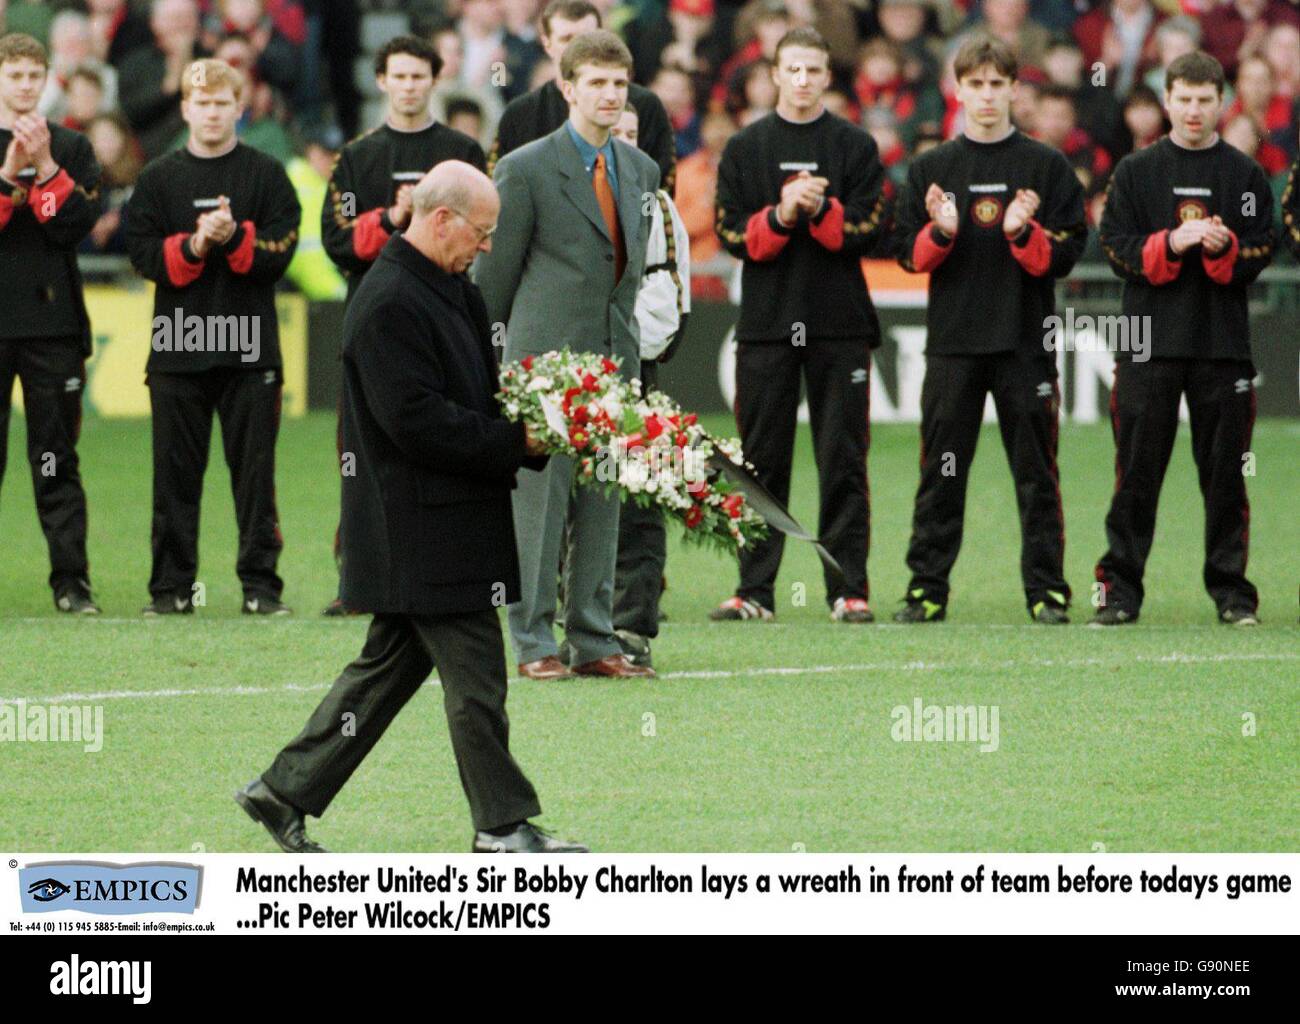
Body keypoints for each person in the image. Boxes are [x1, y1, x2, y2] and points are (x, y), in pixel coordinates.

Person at [236, 160, 587, 854]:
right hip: (423, 526)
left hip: (442, 518)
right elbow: (416, 421)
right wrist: (513, 440)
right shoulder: (390, 299)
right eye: (479, 233)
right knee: (478, 678)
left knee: (387, 671)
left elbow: (467, 395)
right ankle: (501, 826)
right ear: (441, 220)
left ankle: (282, 792)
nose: (485, 247)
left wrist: (531, 421)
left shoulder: (449, 288)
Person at [474, 29, 660, 680]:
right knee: (540, 509)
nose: (610, 95)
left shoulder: (642, 170)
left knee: (604, 506)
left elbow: (628, 276)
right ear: (567, 88)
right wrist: (490, 368)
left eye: (619, 83)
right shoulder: (523, 168)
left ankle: (594, 638)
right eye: (598, 83)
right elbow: (492, 283)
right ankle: (532, 642)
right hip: (541, 368)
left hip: (614, 362)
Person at [893, 35, 1086, 625]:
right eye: (974, 84)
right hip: (954, 346)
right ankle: (927, 590)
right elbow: (906, 255)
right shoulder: (931, 168)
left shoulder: (1046, 166)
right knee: (942, 473)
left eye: (996, 84)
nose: (985, 95)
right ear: (958, 88)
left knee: (1034, 475)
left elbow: (1068, 254)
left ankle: (1046, 591)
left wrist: (1024, 231)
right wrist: (944, 231)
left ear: (1013, 90)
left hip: (1026, 345)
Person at [711, 26, 887, 624]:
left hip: (839, 326)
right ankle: (754, 591)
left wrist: (825, 210)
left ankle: (848, 589)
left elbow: (870, 231)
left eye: (814, 70)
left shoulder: (856, 146)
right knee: (760, 461)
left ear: (827, 77)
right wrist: (783, 213)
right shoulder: (744, 147)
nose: (804, 80)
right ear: (775, 74)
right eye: (794, 70)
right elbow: (734, 237)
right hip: (766, 326)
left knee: (842, 457)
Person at [1094, 50, 1275, 626]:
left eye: (1205, 100)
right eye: (1184, 99)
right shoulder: (1134, 172)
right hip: (1146, 344)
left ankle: (1232, 593)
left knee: (1225, 476)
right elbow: (1116, 249)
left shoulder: (1245, 176)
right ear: (1166, 100)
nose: (1194, 110)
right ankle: (1118, 592)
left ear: (1222, 103)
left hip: (1221, 346)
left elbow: (1263, 248)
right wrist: (1170, 245)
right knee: (1135, 476)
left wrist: (1225, 251)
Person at [124, 57, 300, 616]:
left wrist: (235, 237)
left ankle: (260, 588)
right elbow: (144, 255)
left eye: (223, 103)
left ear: (240, 108)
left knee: (255, 480)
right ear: (185, 109)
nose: (212, 113)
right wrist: (197, 245)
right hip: (178, 351)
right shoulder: (157, 179)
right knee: (173, 479)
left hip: (250, 353)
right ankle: (171, 589)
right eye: (202, 104)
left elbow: (280, 251)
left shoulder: (267, 174)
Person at [319, 34, 486, 616]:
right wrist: (394, 216)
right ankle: (357, 579)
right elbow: (337, 241)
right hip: (372, 327)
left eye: (420, 76)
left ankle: (442, 568)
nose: (410, 85)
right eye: (400, 75)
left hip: (445, 320)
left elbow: (485, 237)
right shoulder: (356, 158)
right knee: (359, 451)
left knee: (443, 436)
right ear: (382, 81)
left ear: (433, 81)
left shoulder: (463, 151)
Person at [0, 32, 103, 614]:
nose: (23, 86)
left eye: (33, 76)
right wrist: (7, 175)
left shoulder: (72, 147)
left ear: (47, 81)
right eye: (13, 75)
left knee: (54, 457)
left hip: (52, 329)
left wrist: (42, 166)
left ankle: (71, 583)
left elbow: (73, 228)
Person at [488, 0, 675, 192]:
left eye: (585, 38)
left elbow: (661, 185)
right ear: (547, 43)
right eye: (566, 38)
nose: (577, 48)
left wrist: (640, 218)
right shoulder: (521, 113)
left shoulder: (645, 105)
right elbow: (499, 185)